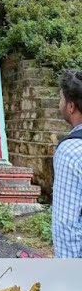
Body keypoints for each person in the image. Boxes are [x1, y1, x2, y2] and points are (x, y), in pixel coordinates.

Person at [53, 70, 82, 257]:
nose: (60, 104)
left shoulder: (71, 151)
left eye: (61, 99)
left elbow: (66, 226)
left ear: (71, 106)